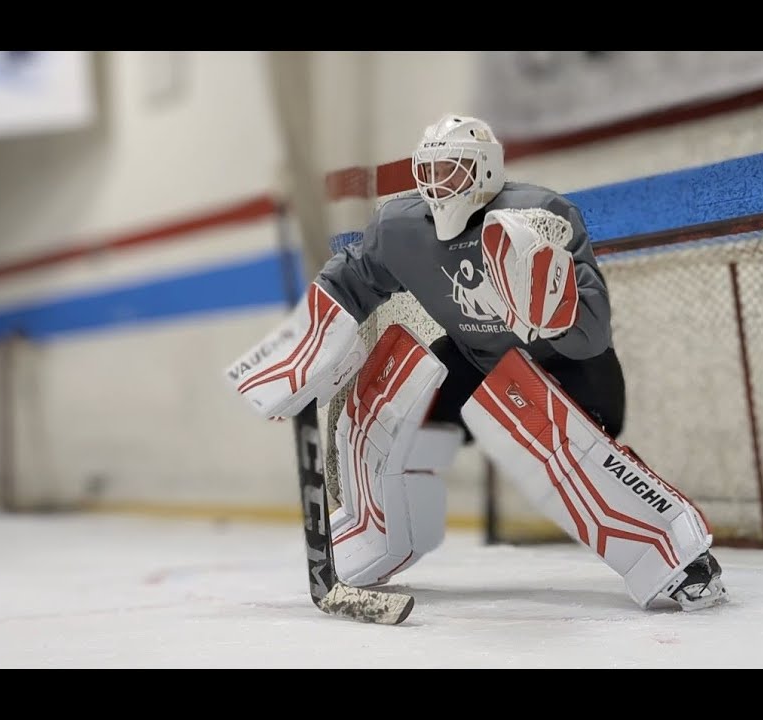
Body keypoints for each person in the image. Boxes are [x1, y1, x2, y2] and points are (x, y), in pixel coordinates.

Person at [225, 114, 726, 612]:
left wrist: (549, 302)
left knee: (550, 436)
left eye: (454, 170)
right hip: (473, 358)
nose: (439, 186)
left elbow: (592, 333)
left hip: (565, 367)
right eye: (430, 172)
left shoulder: (540, 214)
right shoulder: (401, 228)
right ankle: (375, 530)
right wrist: (304, 347)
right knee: (381, 398)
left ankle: (676, 555)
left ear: (486, 170)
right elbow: (352, 279)